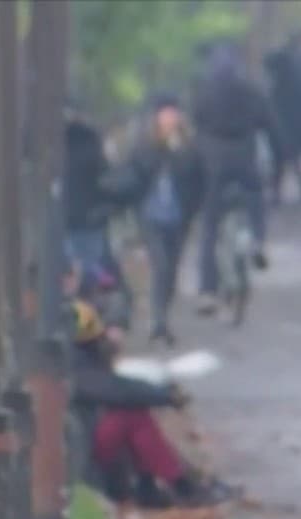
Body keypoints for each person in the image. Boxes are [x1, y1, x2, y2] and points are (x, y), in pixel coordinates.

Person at [63, 280, 235, 509]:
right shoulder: (75, 366)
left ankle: (159, 486)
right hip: (80, 458)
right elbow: (117, 390)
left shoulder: (72, 357)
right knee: (129, 414)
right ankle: (180, 485)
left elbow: (114, 297)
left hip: (84, 446)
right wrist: (165, 396)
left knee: (133, 415)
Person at [191, 44, 279, 314]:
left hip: (213, 165)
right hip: (244, 159)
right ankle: (257, 241)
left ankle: (207, 290)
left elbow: (194, 126)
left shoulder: (202, 94)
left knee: (210, 227)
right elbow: (271, 128)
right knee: (255, 197)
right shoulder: (251, 93)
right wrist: (279, 168)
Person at [118, 95, 207, 347]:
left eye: (173, 115)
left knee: (171, 270)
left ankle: (163, 316)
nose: (170, 120)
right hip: (151, 215)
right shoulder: (145, 145)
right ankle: (158, 322)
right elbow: (136, 172)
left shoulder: (188, 146)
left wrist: (178, 150)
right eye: (165, 115)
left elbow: (196, 178)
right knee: (161, 265)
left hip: (178, 216)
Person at [63, 113, 135, 326]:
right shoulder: (91, 143)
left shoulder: (50, 145)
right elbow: (106, 181)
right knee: (92, 269)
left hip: (66, 220)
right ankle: (98, 315)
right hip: (89, 220)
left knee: (76, 271)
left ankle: (83, 318)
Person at [263, 47, 301, 207]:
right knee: (294, 163)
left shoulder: (275, 83)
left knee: (279, 164)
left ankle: (277, 195)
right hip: (294, 128)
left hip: (279, 127)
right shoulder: (295, 79)